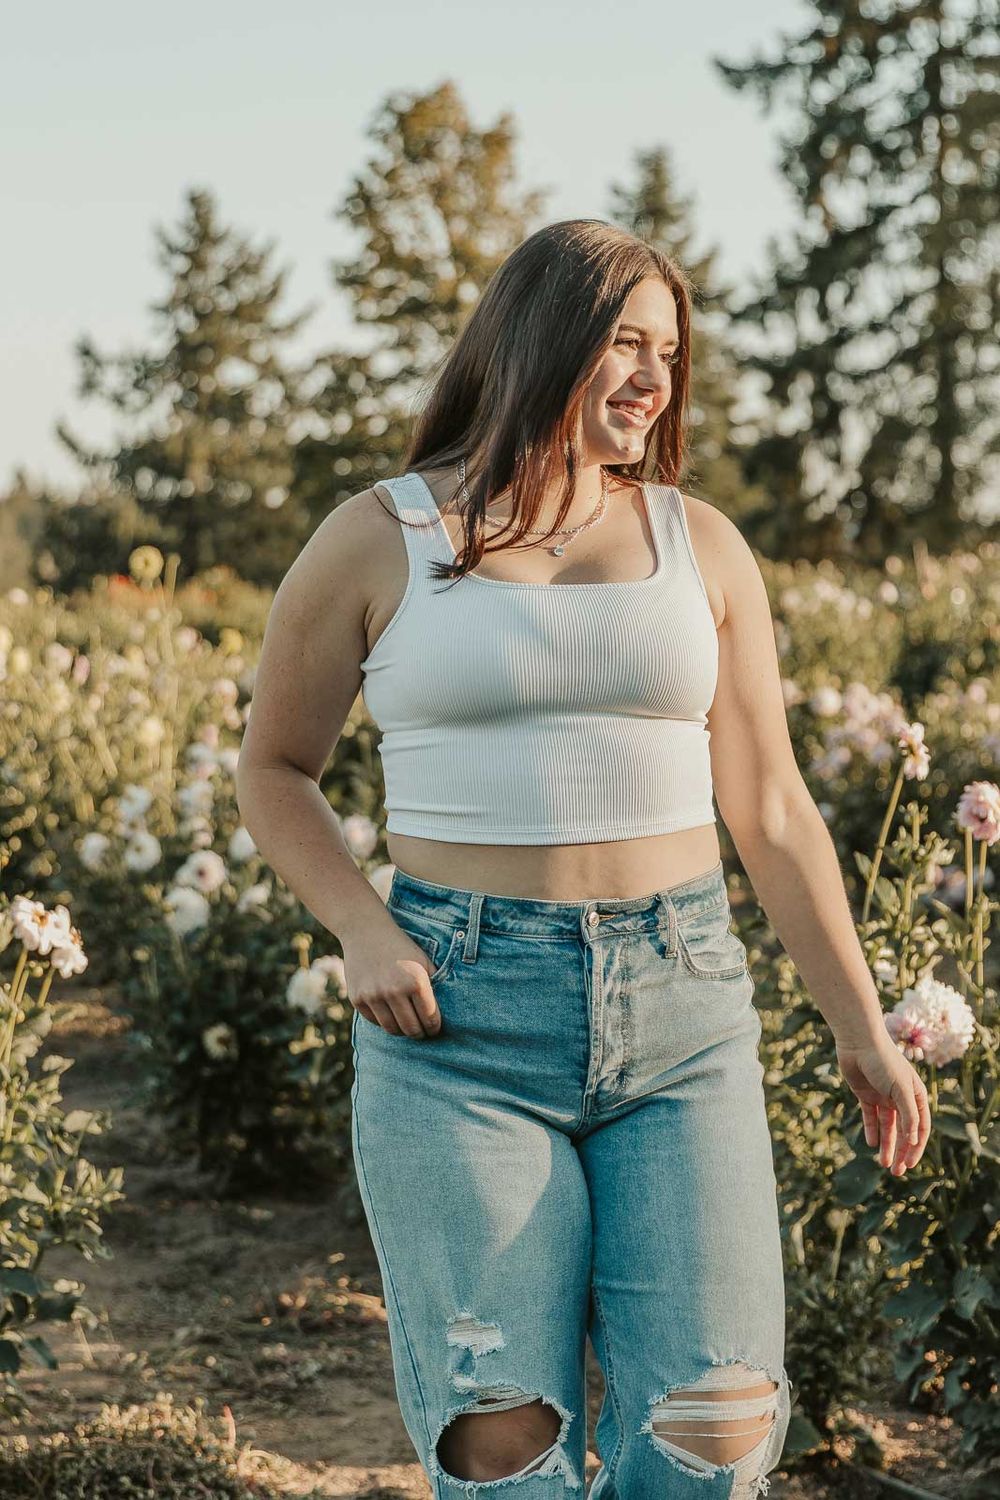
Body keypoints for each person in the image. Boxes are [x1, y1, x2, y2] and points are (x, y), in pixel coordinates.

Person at [237, 219, 931, 1498]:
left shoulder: (698, 545)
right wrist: (363, 926)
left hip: (681, 1008)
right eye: (624, 341)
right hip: (459, 1019)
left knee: (716, 1425)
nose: (652, 378)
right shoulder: (379, 538)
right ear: (537, 336)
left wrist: (858, 1025)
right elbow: (272, 769)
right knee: (501, 1442)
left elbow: (770, 808)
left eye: (668, 353)